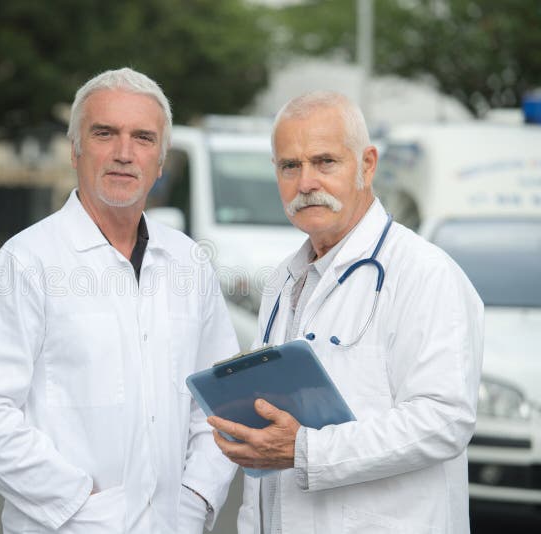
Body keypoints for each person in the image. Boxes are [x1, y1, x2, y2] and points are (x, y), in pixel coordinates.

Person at [0, 68, 239, 534]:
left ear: (160, 162)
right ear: (75, 150)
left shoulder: (189, 262)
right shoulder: (26, 262)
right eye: (105, 133)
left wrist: (197, 498)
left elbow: (218, 402)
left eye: (143, 138)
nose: (125, 153)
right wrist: (77, 505)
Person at [207, 91, 484, 533]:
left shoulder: (425, 274)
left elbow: (443, 420)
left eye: (325, 162)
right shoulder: (283, 280)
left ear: (367, 164)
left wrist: (306, 451)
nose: (306, 183)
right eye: (289, 166)